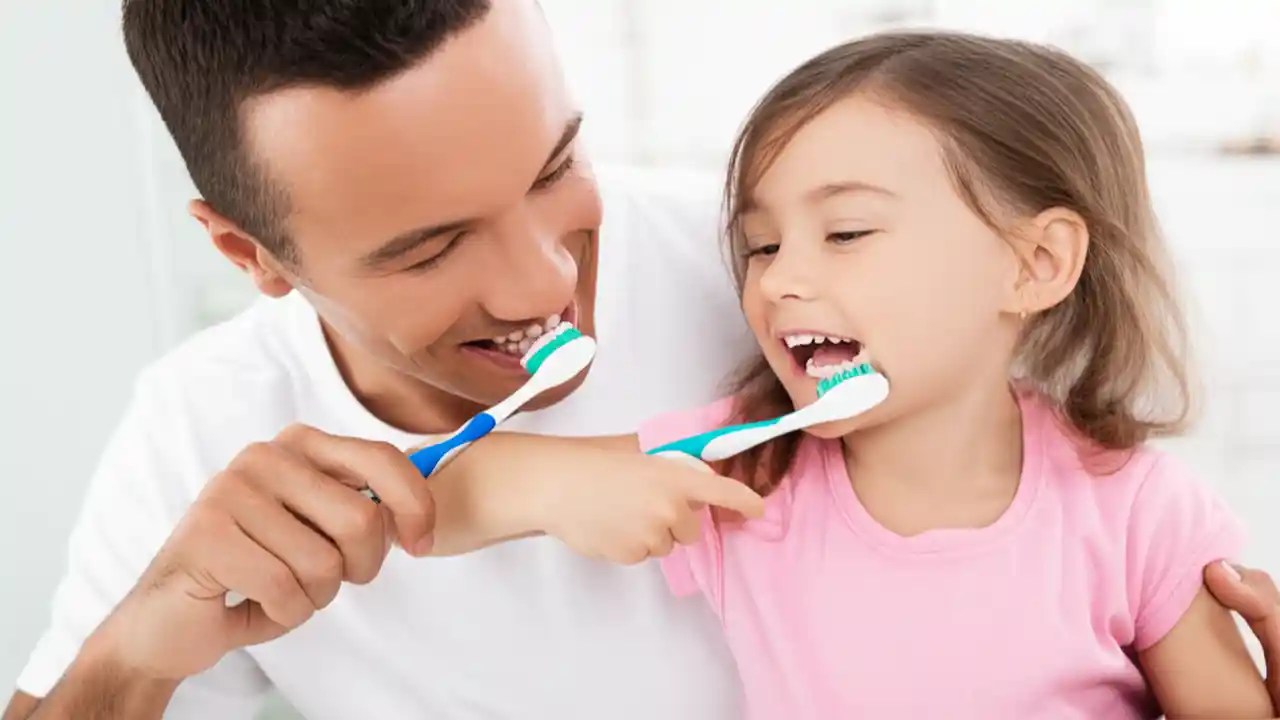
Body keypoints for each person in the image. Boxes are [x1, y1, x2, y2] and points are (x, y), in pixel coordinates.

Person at [2, 5, 1276, 720]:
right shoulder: (194, 430)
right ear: (249, 253)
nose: (542, 283)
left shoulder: (772, 281)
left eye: (556, 167)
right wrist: (132, 656)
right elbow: (441, 506)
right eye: (430, 247)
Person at [414, 32, 1280, 718]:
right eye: (760, 245)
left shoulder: (1137, 512)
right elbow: (423, 506)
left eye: (847, 233)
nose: (780, 278)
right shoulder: (740, 472)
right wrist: (547, 484)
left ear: (1035, 265)